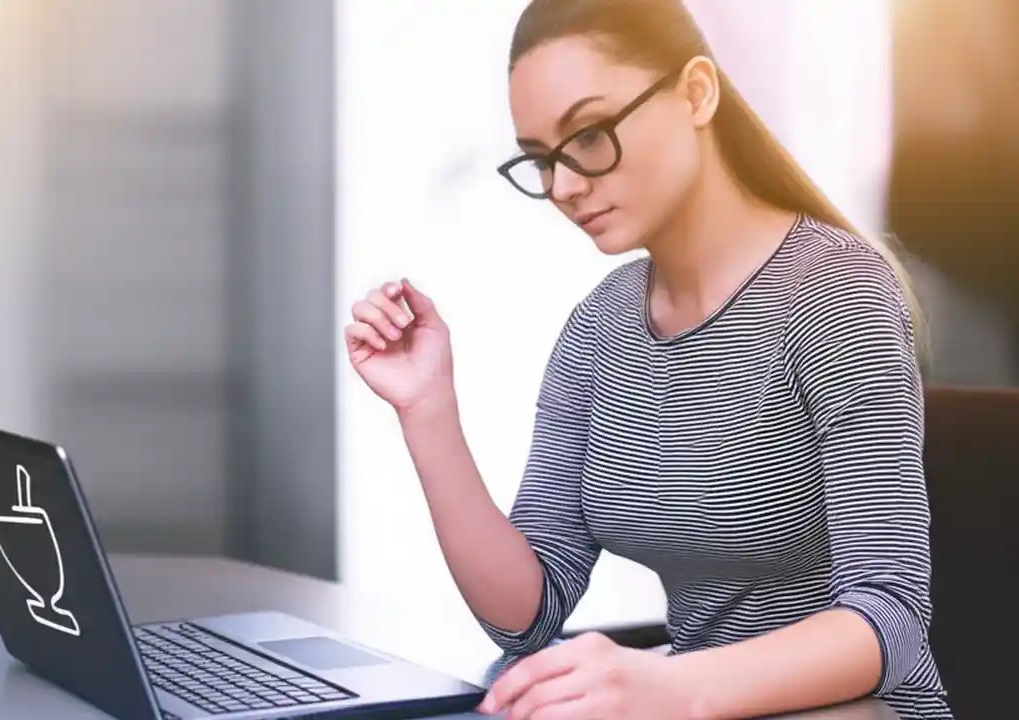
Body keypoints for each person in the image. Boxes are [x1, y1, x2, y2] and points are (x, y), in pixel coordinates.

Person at [342, 0, 949, 718]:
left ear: (696, 92)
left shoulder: (834, 292)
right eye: (541, 159)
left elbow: (891, 622)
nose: (563, 186)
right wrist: (427, 410)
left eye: (588, 135)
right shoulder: (601, 326)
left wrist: (666, 686)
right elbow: (526, 615)